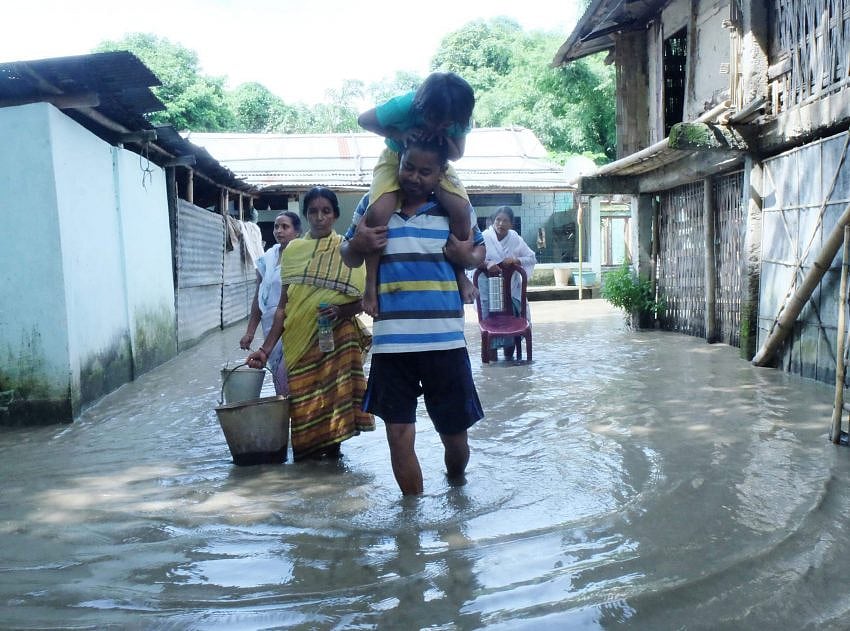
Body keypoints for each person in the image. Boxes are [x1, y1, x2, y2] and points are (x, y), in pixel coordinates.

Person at [340, 138, 485, 495]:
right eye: (408, 168)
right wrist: (357, 245)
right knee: (398, 435)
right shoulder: (374, 204)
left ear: (440, 175)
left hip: (445, 341)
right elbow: (347, 252)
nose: (415, 177)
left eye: (425, 172)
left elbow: (479, 251)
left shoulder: (453, 209)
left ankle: (457, 489)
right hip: (391, 344)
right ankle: (412, 521)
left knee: (455, 436)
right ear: (397, 163)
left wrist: (468, 259)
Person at [246, 187, 374, 460]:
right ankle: (308, 466)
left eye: (326, 211)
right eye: (313, 212)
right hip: (298, 343)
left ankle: (332, 470)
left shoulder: (347, 251)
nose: (319, 217)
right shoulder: (294, 252)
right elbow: (283, 308)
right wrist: (265, 350)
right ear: (306, 215)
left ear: (335, 215)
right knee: (303, 412)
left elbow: (364, 301)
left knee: (334, 412)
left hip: (337, 341)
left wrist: (340, 311)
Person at [357, 71, 476, 317]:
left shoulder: (459, 116)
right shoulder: (404, 106)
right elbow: (363, 120)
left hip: (435, 162)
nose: (441, 125)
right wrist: (398, 135)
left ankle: (460, 275)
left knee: (461, 209)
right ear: (422, 107)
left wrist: (443, 136)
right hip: (396, 158)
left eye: (447, 123)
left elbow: (456, 154)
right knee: (378, 212)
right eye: (436, 120)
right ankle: (370, 287)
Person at [239, 211, 301, 387]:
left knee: (288, 374)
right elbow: (259, 298)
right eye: (276, 226)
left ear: (297, 232)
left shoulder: (302, 257)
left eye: (285, 226)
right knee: (279, 379)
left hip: (293, 323)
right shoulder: (267, 259)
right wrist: (250, 332)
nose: (279, 231)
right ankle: (282, 413)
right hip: (270, 326)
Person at [477, 206, 537, 361]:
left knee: (512, 323)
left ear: (511, 224)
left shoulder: (515, 239)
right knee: (491, 338)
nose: (501, 224)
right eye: (498, 220)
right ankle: (493, 370)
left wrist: (515, 260)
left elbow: (531, 258)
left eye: (505, 221)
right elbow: (472, 262)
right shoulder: (483, 237)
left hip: (511, 293)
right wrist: (487, 264)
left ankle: (510, 367)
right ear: (492, 221)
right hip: (488, 294)